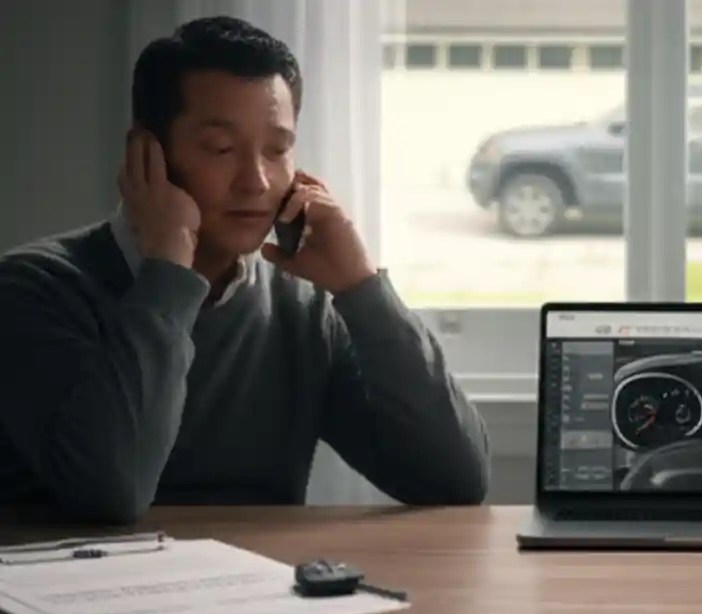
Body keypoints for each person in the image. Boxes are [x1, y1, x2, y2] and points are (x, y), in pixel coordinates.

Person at [0, 17, 489, 524]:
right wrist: (168, 269)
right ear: (147, 155)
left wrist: (361, 288)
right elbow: (110, 495)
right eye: (220, 150)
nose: (256, 181)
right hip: (76, 594)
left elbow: (454, 481)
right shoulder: (34, 290)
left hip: (258, 594)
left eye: (277, 150)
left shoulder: (303, 309)